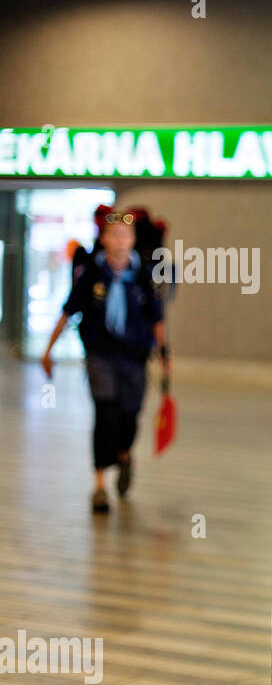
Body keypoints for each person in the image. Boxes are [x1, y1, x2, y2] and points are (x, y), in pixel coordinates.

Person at [41, 209, 170, 513]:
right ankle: (99, 485)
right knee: (105, 412)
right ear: (104, 239)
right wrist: (48, 350)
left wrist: (165, 355)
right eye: (113, 235)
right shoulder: (91, 275)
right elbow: (68, 310)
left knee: (129, 415)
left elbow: (158, 319)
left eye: (125, 235)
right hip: (100, 355)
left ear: (132, 240)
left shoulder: (144, 276)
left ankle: (124, 455)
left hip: (134, 359)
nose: (119, 240)